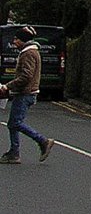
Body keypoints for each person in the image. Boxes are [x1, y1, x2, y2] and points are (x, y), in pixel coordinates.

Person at [0, 26, 53, 163]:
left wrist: (7, 86)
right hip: (23, 93)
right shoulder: (28, 52)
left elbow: (26, 76)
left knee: (16, 123)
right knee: (12, 124)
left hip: (26, 94)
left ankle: (43, 141)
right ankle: (14, 153)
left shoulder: (29, 53)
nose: (14, 41)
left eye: (16, 39)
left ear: (23, 40)